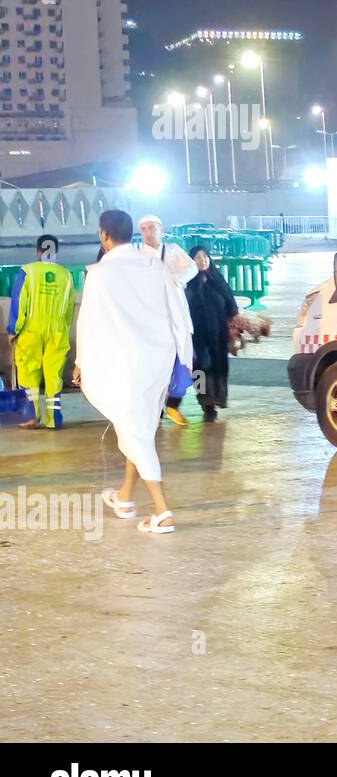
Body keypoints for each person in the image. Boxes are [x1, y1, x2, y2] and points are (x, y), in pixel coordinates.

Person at [76, 210, 192, 535]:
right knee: (137, 426)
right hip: (155, 361)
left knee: (135, 432)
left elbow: (88, 323)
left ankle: (162, 510)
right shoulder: (154, 265)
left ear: (103, 235)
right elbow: (177, 311)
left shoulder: (99, 275)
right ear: (132, 234)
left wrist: (82, 362)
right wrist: (184, 356)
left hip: (119, 363)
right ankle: (125, 497)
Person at [6, 233, 74, 429]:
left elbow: (19, 304)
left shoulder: (27, 271)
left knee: (29, 373)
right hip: (58, 331)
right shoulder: (66, 275)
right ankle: (54, 419)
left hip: (30, 331)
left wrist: (13, 330)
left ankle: (30, 417)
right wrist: (62, 327)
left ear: (38, 251)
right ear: (55, 252)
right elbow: (69, 310)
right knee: (54, 375)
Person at [139, 214, 197, 425]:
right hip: (153, 322)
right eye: (143, 229)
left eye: (151, 228)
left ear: (160, 229)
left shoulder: (173, 251)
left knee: (183, 361)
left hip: (178, 317)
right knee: (154, 366)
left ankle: (173, 404)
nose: (147, 232)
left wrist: (175, 280)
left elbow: (191, 268)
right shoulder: (138, 257)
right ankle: (155, 409)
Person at [185, 245, 239, 422]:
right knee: (200, 370)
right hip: (196, 336)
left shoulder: (218, 280)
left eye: (205, 257)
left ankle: (218, 398)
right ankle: (205, 402)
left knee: (218, 368)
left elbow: (231, 305)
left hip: (218, 336)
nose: (202, 260)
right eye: (198, 258)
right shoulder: (187, 284)